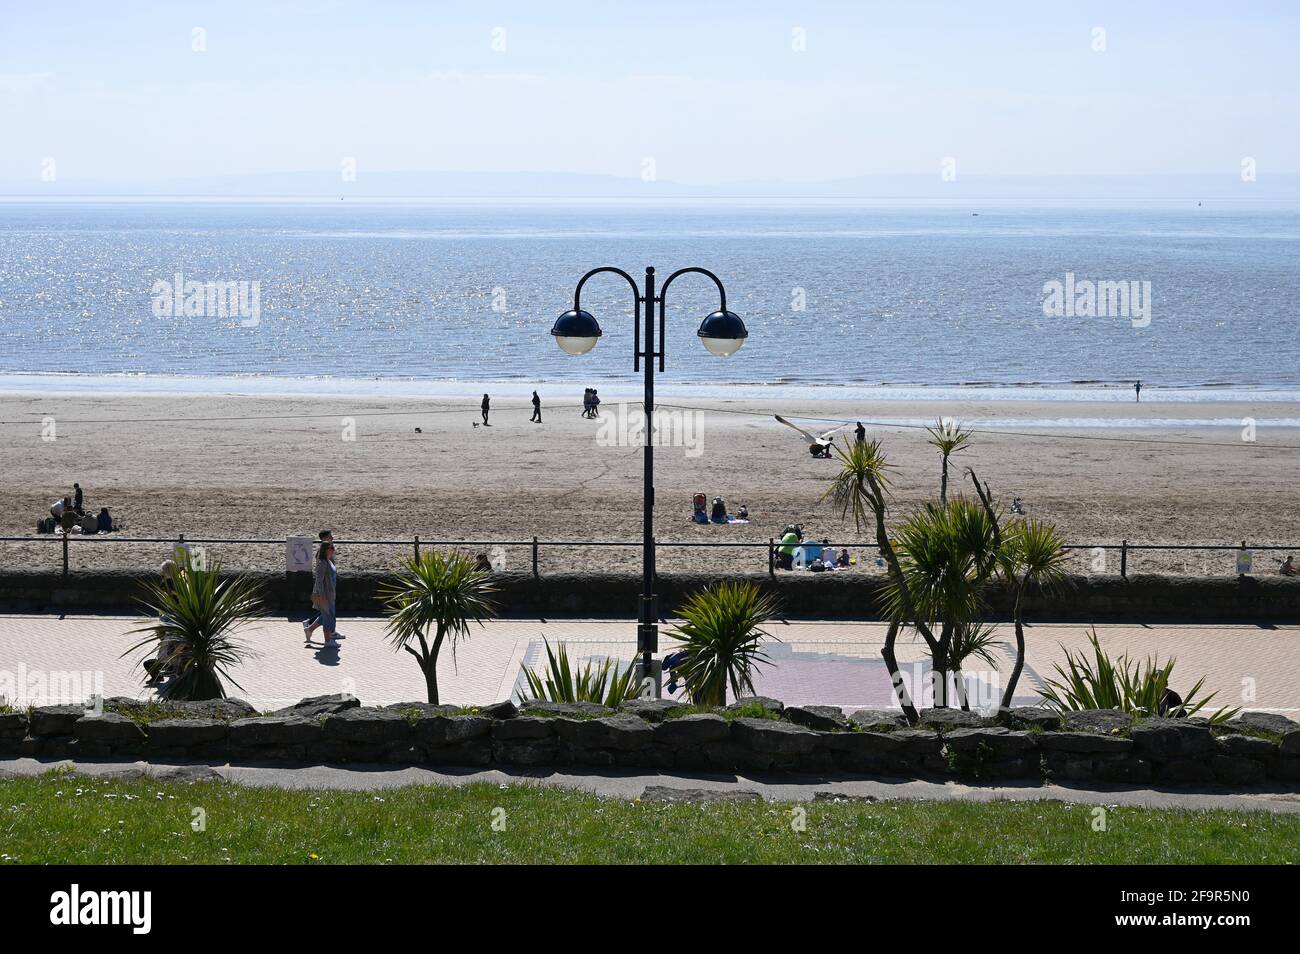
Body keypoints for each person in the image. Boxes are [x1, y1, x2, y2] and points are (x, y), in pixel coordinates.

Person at [304, 541, 339, 647]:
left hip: (331, 594)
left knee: (326, 615)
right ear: (325, 549)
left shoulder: (329, 561)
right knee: (329, 616)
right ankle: (328, 641)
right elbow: (319, 581)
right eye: (330, 548)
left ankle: (309, 630)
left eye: (333, 547)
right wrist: (322, 596)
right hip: (324, 595)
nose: (333, 549)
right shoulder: (322, 563)